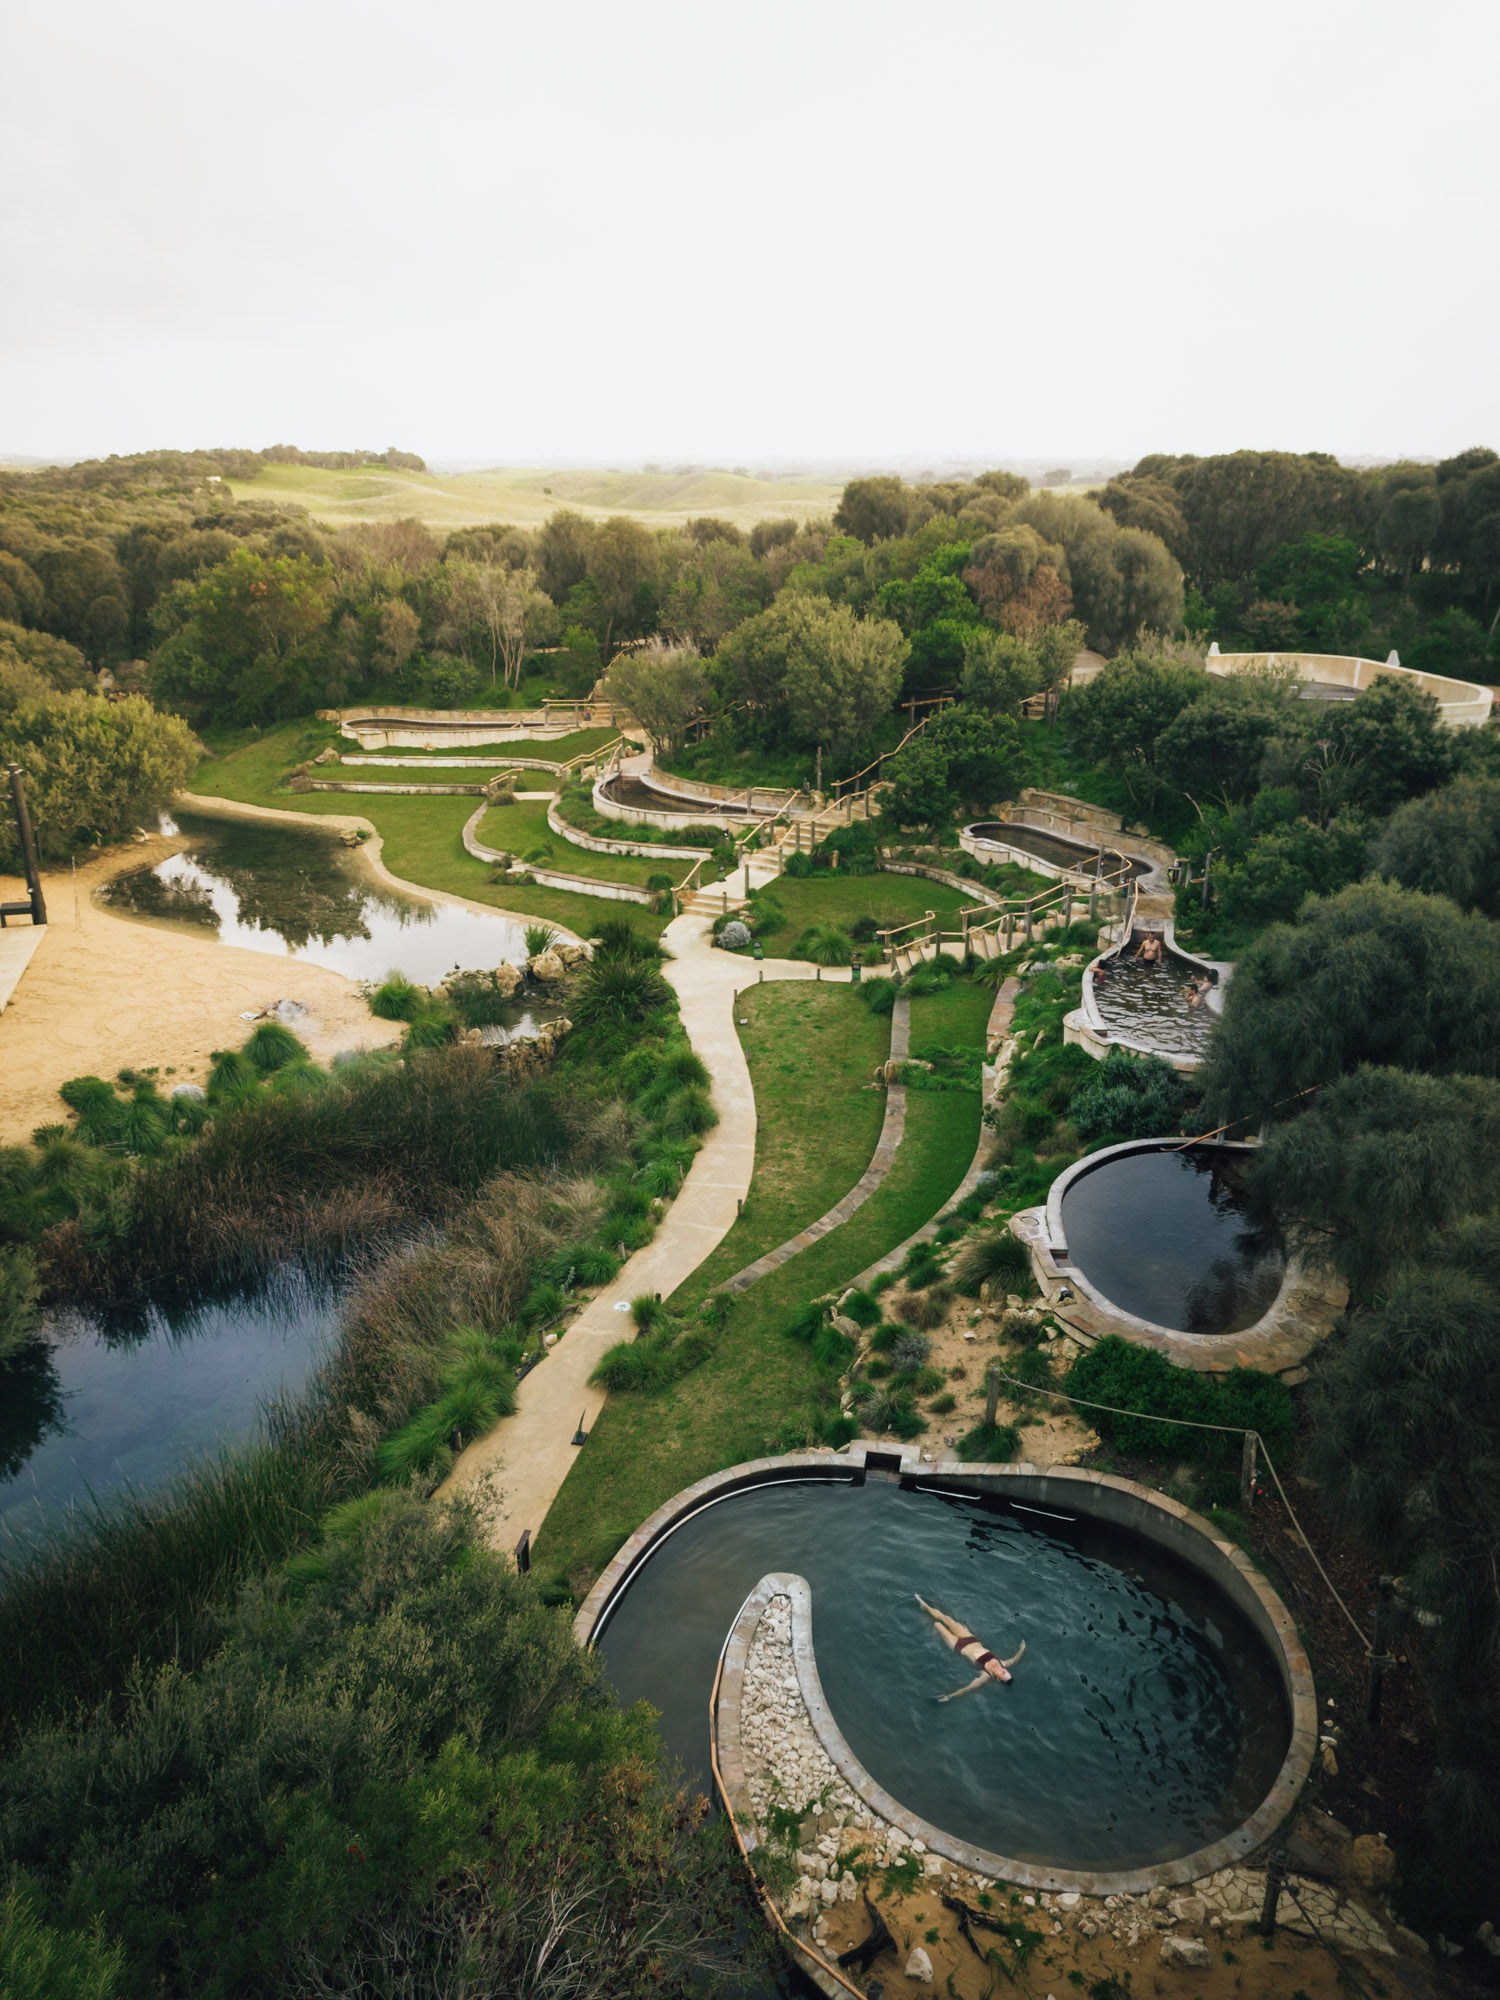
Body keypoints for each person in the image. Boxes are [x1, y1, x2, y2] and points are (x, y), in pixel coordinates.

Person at [915, 1595, 1025, 1701]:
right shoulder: (1003, 1663)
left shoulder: (985, 1676)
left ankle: (926, 1624)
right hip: (970, 1639)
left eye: (1002, 1674)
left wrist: (949, 1697)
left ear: (997, 1679)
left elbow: (967, 1689)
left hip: (958, 1646)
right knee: (947, 1619)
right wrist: (1022, 1648)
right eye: (1005, 1671)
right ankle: (925, 1607)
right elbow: (1015, 1659)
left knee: (937, 1625)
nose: (1002, 1670)